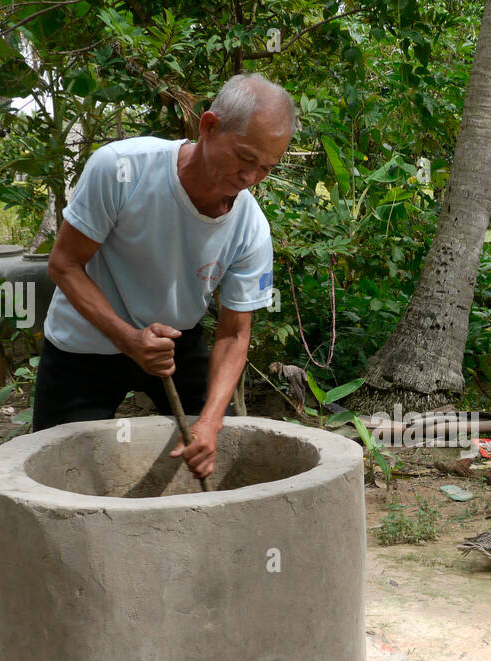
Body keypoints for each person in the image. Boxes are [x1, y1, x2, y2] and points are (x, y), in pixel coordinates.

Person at [34, 73, 295, 479]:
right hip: (84, 343)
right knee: (54, 472)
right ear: (208, 126)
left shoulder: (251, 229)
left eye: (265, 168)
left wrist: (210, 422)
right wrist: (127, 338)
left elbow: (233, 334)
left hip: (174, 343)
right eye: (245, 159)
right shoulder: (120, 169)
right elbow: (64, 264)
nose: (250, 179)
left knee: (212, 454)